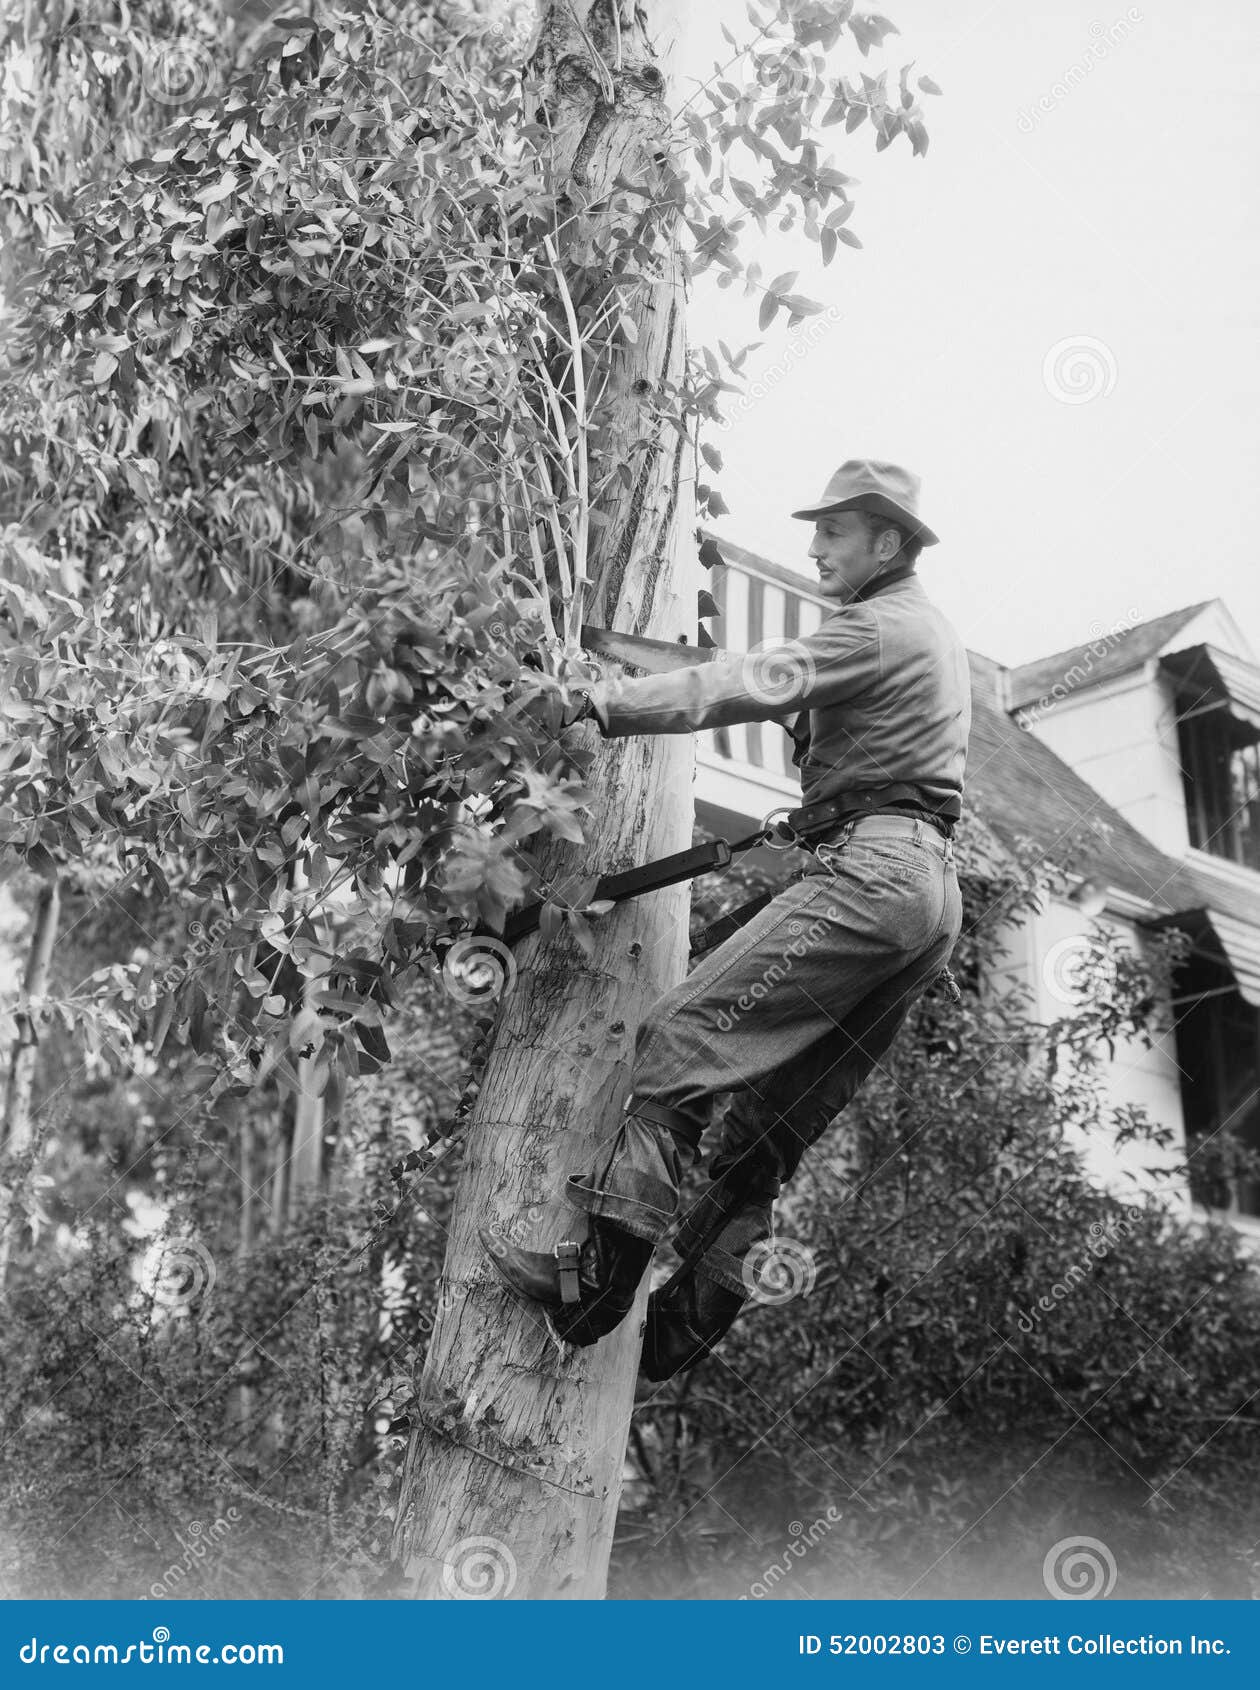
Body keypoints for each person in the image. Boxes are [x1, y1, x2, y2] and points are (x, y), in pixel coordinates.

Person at [483, 459, 971, 1378]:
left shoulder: (875, 625)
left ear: (888, 542)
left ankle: (592, 1287)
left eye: (834, 531)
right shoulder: (927, 635)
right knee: (771, 1128)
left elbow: (734, 682)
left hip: (878, 871)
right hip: (928, 898)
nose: (815, 546)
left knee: (684, 1034)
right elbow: (878, 750)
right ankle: (679, 1327)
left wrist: (599, 698)